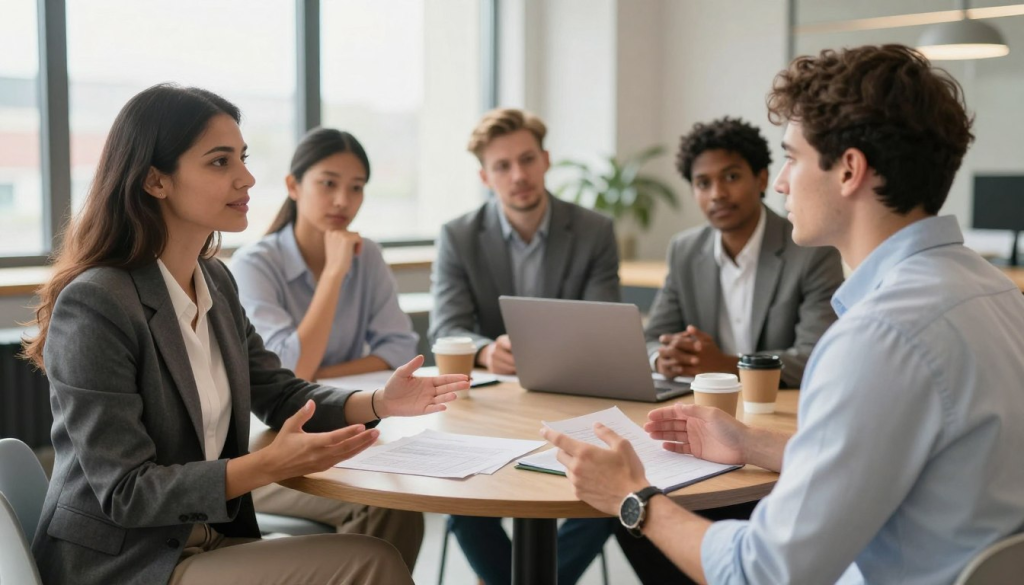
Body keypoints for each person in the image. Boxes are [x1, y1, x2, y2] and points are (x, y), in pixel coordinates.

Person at [542, 44, 1024, 585]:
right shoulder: (998, 295)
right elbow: (890, 456)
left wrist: (632, 498)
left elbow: (763, 572)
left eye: (791, 158)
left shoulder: (877, 338)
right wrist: (749, 443)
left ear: (849, 171)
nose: (780, 183)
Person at [21, 84, 469, 585]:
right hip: (127, 564)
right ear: (155, 181)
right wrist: (267, 465)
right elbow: (128, 492)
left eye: (243, 158)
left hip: (211, 538)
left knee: (374, 546)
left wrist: (380, 402)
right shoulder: (97, 302)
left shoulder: (214, 279)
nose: (247, 177)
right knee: (372, 561)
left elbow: (280, 393)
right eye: (219, 162)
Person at [429, 108, 620, 584]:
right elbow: (448, 326)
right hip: (493, 407)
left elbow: (604, 327)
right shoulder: (459, 235)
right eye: (502, 166)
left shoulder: (594, 230)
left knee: (609, 493)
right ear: (484, 176)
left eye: (527, 159)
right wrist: (484, 351)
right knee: (463, 499)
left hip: (574, 401)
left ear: (546, 159)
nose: (518, 176)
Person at [230, 128, 423, 569]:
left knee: (398, 491)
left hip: (348, 425)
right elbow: (289, 368)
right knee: (382, 501)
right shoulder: (255, 263)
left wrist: (315, 380)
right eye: (328, 183)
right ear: (294, 186)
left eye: (356, 188)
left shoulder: (367, 255)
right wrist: (334, 274)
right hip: (265, 446)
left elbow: (398, 352)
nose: (343, 200)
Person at [646, 117, 843, 388]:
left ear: (761, 179)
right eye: (703, 183)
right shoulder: (685, 250)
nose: (717, 194)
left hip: (774, 406)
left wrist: (727, 365)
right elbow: (652, 338)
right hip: (704, 403)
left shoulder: (811, 251)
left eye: (731, 177)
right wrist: (663, 358)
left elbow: (816, 356)